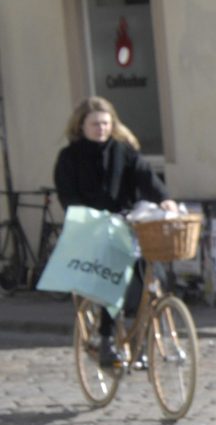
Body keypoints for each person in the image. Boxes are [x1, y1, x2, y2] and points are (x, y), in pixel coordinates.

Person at [52, 96, 175, 364]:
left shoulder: (124, 151)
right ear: (81, 126)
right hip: (91, 227)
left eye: (106, 123)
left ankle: (141, 336)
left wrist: (163, 198)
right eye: (95, 124)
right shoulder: (70, 157)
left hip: (124, 222)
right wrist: (89, 217)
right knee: (110, 275)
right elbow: (67, 195)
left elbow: (145, 175)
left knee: (147, 267)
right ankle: (107, 336)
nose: (101, 129)